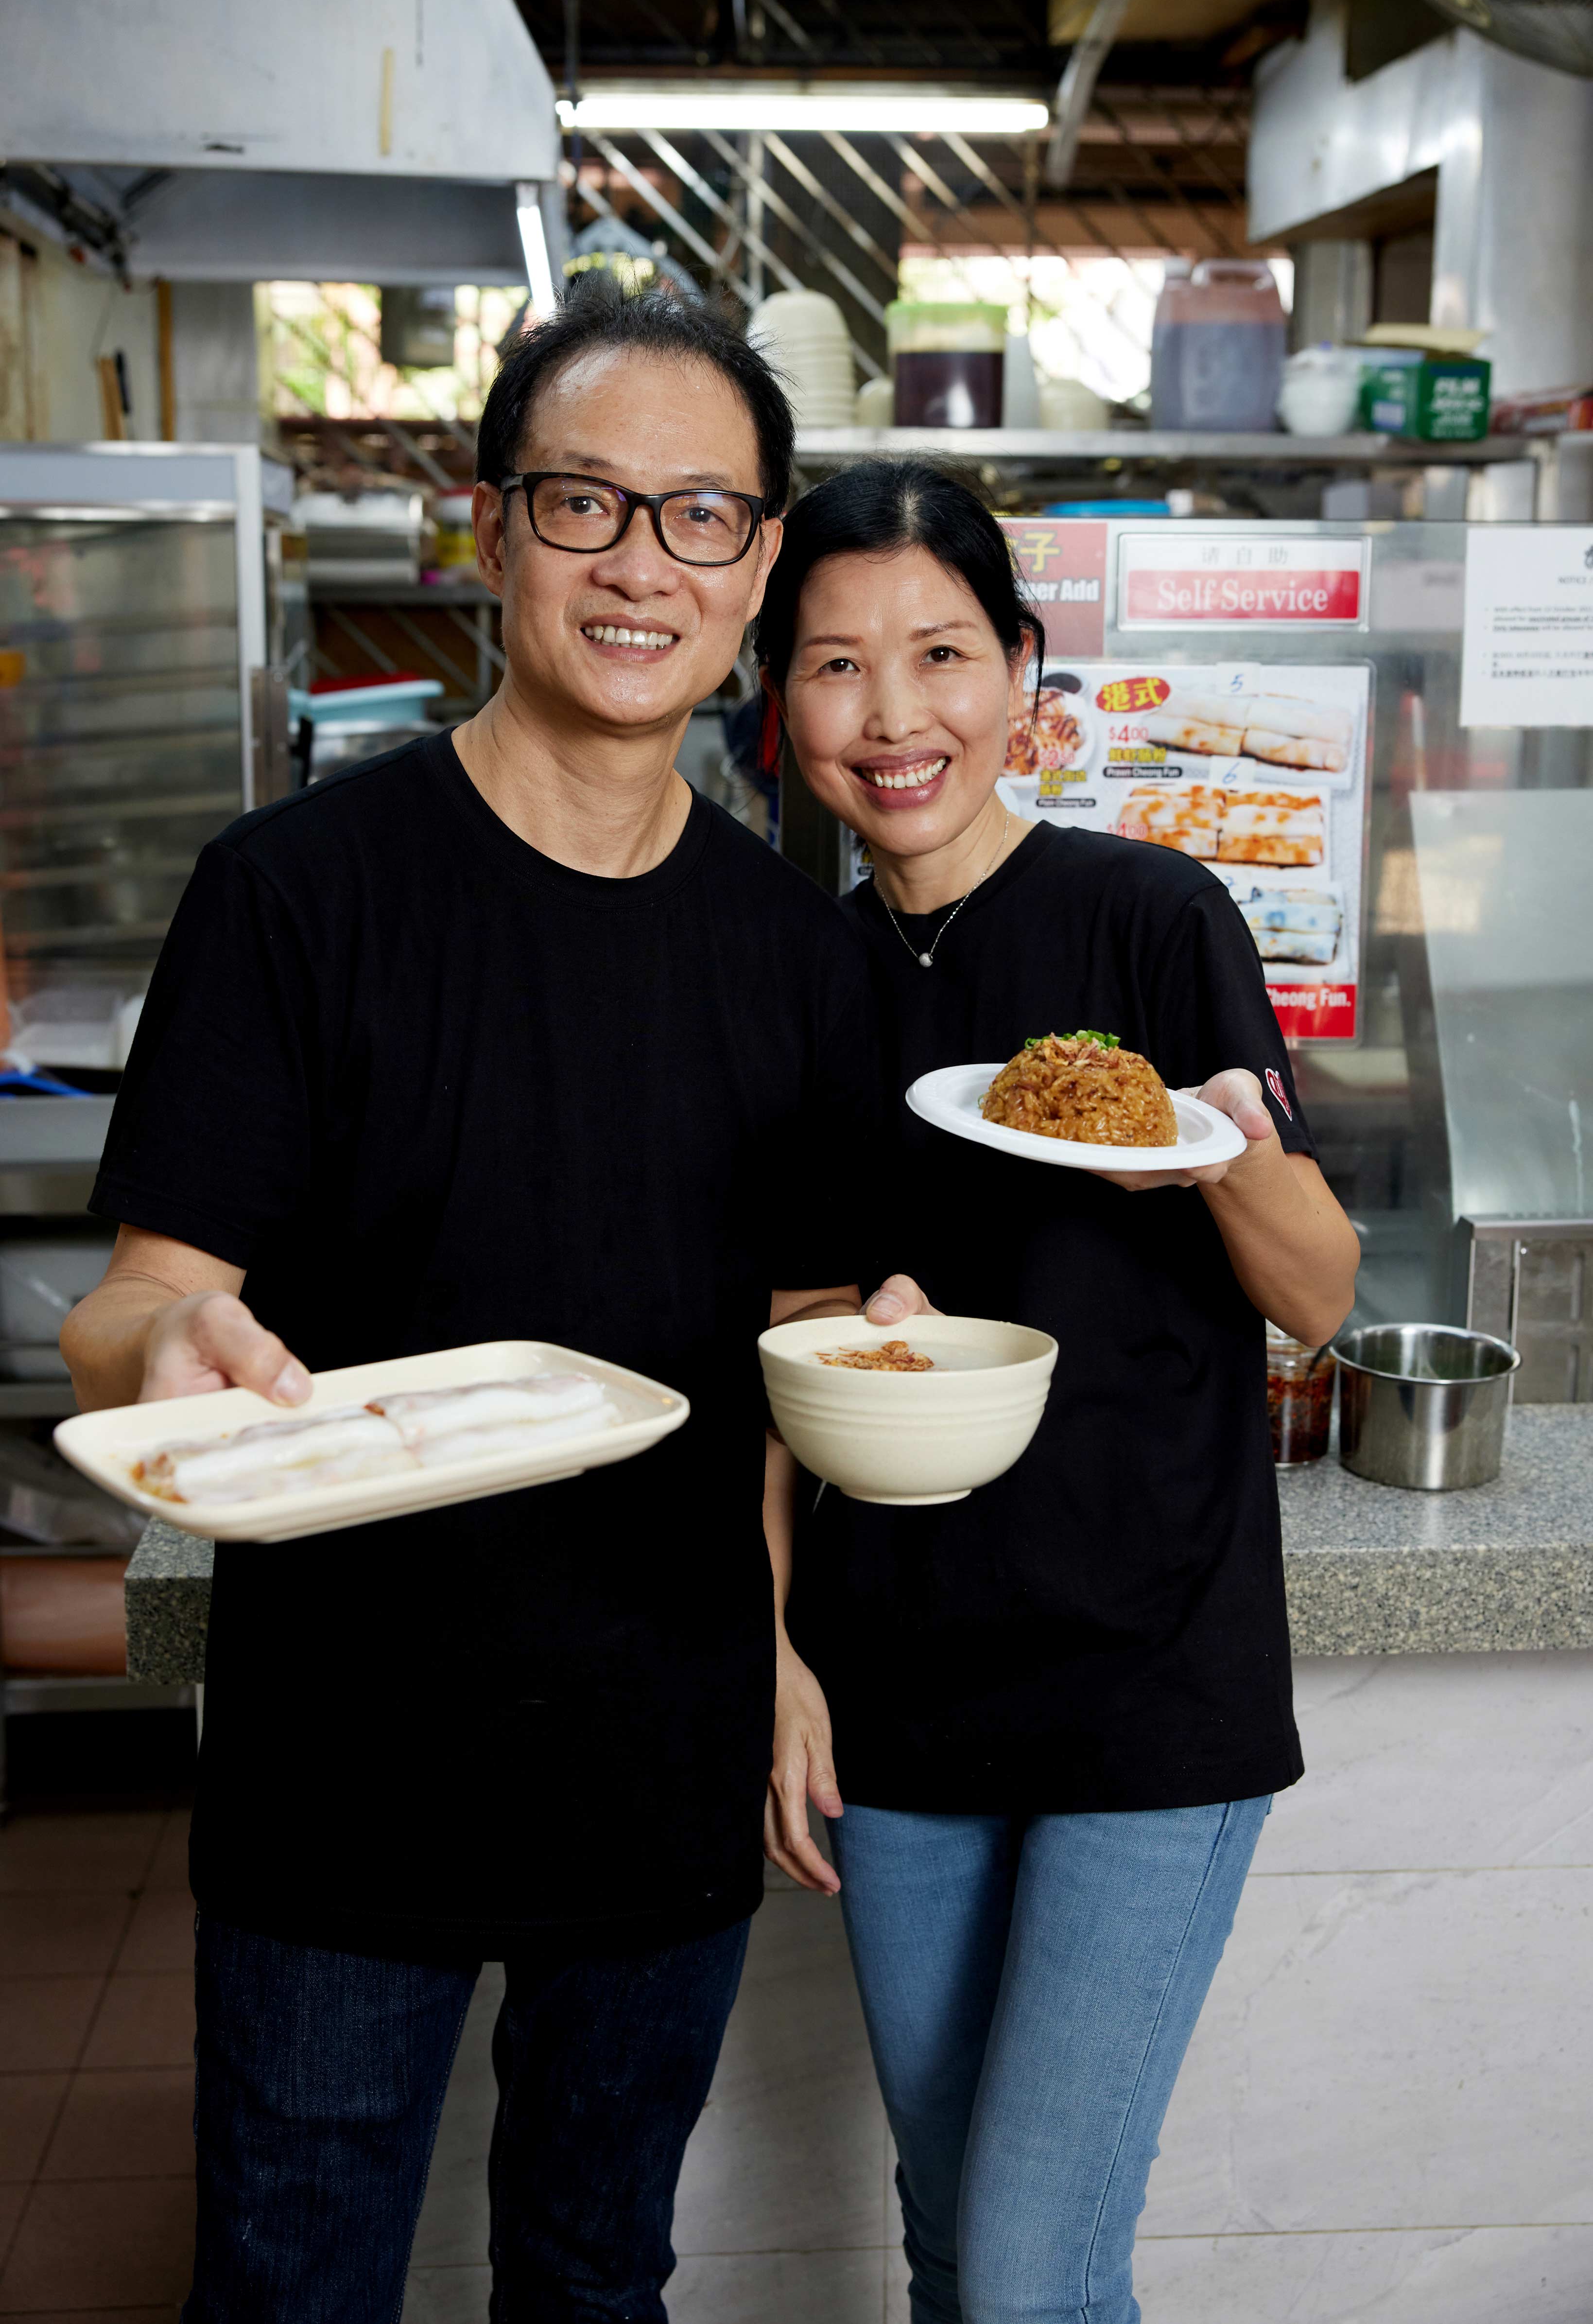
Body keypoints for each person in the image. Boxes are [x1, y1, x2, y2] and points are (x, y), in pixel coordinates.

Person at [60, 284, 882, 2324]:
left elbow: (789, 1352)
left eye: (702, 516)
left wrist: (779, 1652)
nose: (641, 564)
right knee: (290, 2280)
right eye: (585, 502)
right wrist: (169, 1350)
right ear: (490, 528)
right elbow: (137, 1300)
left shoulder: (797, 956)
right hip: (346, 1755)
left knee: (598, 2275)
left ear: (762, 562)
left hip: (660, 1748)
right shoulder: (296, 893)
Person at [754, 459, 1359, 2324]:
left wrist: (1210, 1158)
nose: (895, 715)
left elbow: (1319, 1294)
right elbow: (786, 1324)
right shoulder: (788, 972)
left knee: (1031, 2267)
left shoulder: (1153, 921)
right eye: (839, 666)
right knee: (950, 2233)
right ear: (779, 702)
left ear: (1026, 673)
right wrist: (776, 1648)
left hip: (1146, 1675)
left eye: (941, 654)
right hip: (899, 1690)